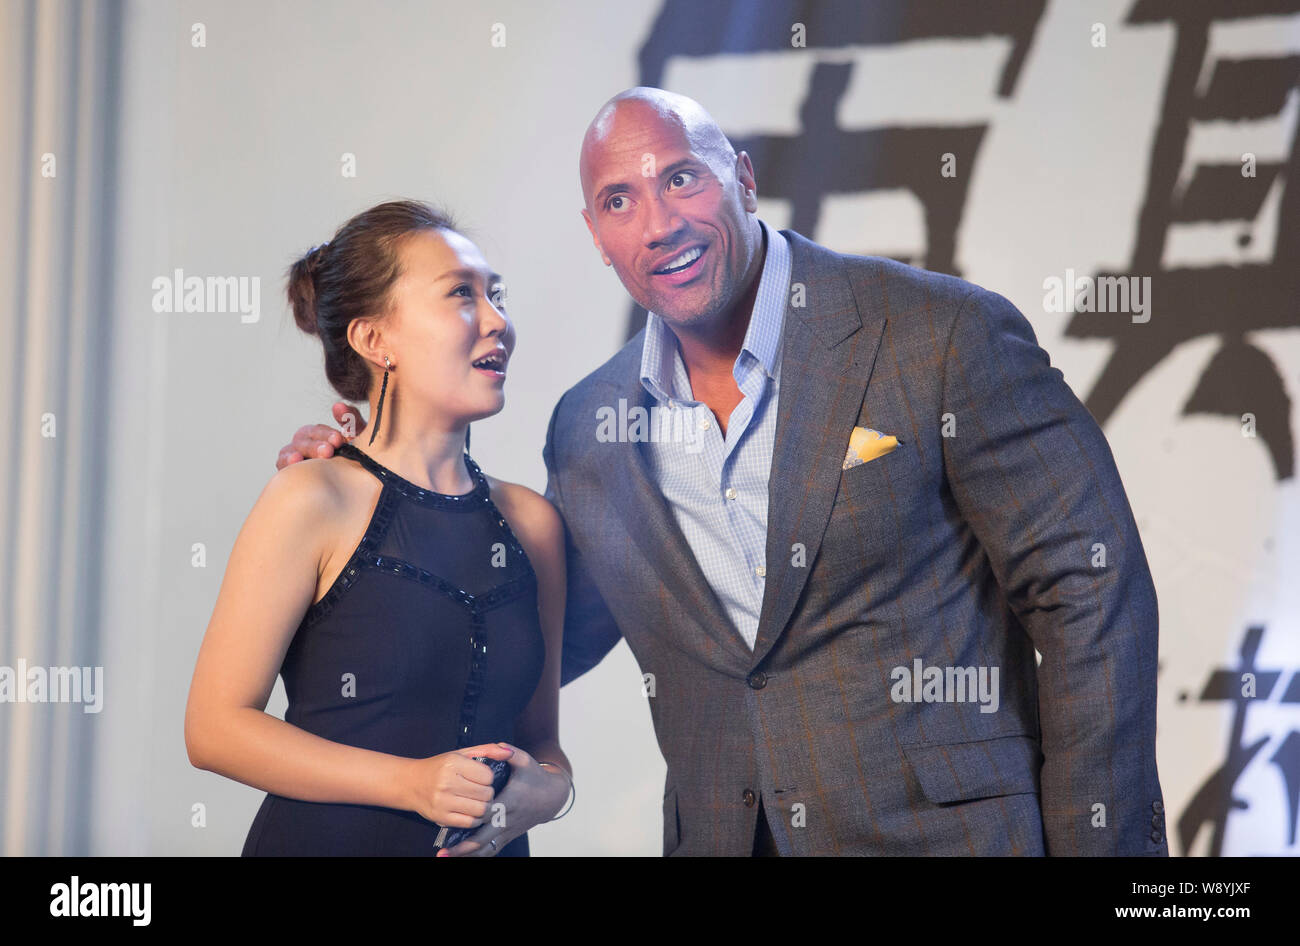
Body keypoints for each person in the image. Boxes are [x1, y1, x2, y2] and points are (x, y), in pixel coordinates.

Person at [280, 89, 1167, 857]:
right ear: (596, 236)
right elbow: (533, 631)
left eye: (679, 178)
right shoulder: (592, 429)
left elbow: (1092, 591)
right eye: (618, 200)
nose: (658, 223)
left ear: (741, 177)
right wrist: (368, 498)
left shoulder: (938, 334)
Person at [186, 200, 573, 857]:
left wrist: (551, 795)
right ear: (374, 341)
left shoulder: (533, 524)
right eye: (460, 295)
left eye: (495, 296)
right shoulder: (311, 495)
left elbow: (543, 746)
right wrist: (411, 784)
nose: (498, 322)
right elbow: (214, 728)